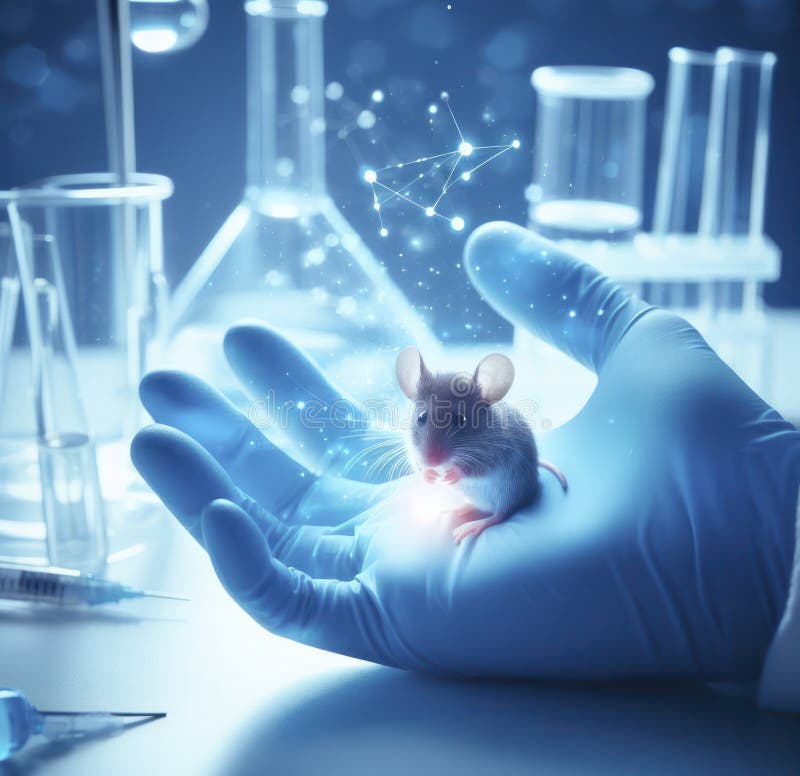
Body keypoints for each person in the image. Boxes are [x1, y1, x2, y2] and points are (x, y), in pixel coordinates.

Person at [131, 222, 800, 711]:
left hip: (507, 489)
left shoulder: (492, 432)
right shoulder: (434, 415)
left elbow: (478, 459)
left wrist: (774, 538)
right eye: (423, 425)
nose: (428, 442)